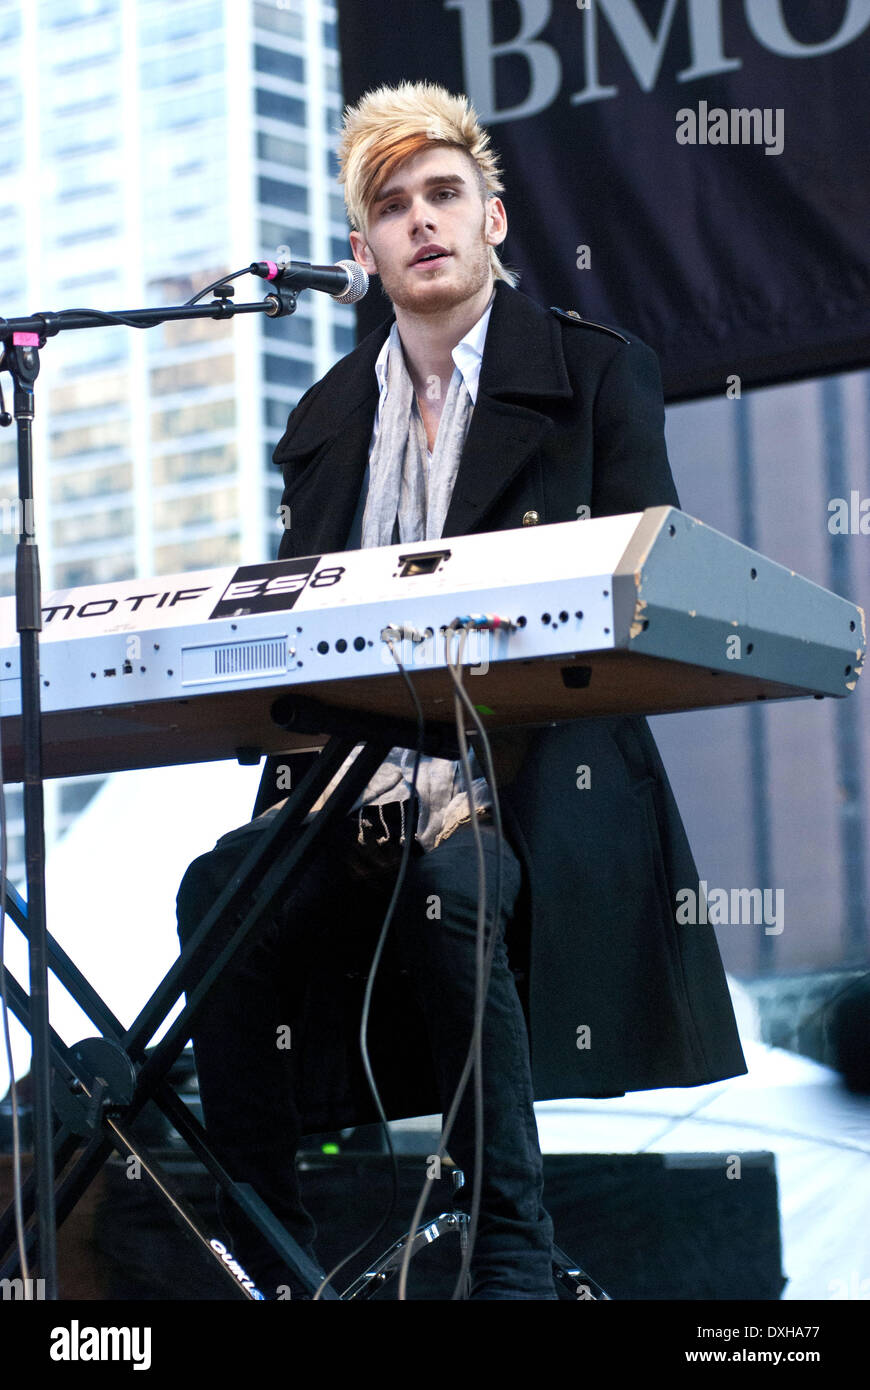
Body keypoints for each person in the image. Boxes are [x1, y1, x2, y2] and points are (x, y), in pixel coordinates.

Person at [176, 80, 747, 1301]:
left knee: (452, 884)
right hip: (354, 789)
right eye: (394, 206)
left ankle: (512, 1255)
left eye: (446, 194)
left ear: (496, 219)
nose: (423, 221)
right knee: (218, 887)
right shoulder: (326, 418)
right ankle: (268, 1254)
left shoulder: (598, 373)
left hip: (534, 785)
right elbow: (303, 633)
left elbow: (651, 590)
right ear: (363, 250)